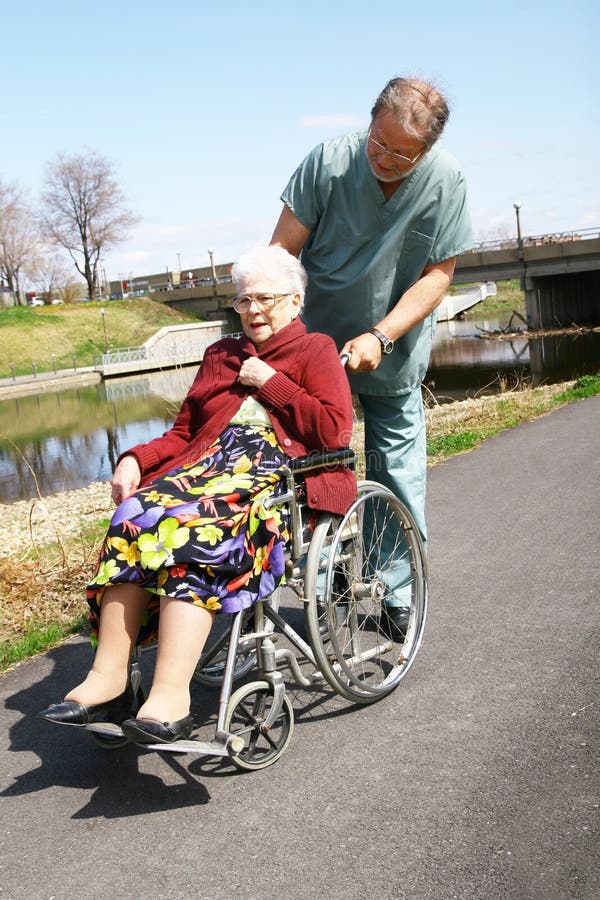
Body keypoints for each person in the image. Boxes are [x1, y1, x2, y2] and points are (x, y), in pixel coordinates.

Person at [38, 246, 355, 745]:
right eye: (243, 300)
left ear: (295, 300)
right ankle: (109, 678)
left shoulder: (315, 349)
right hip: (205, 469)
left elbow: (334, 433)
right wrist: (136, 459)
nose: (252, 310)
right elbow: (185, 433)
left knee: (192, 527)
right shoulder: (220, 356)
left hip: (276, 475)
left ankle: (171, 694)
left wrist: (272, 384)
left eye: (265, 299)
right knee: (133, 516)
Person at [271, 75, 472, 637]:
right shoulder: (329, 163)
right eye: (378, 144)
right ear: (370, 123)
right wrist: (284, 341)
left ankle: (396, 594)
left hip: (392, 347)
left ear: (426, 151)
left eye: (403, 155)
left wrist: (380, 336)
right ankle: (322, 582)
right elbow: (281, 255)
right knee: (312, 467)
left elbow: (438, 276)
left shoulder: (446, 180)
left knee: (397, 473)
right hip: (314, 349)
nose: (385, 159)